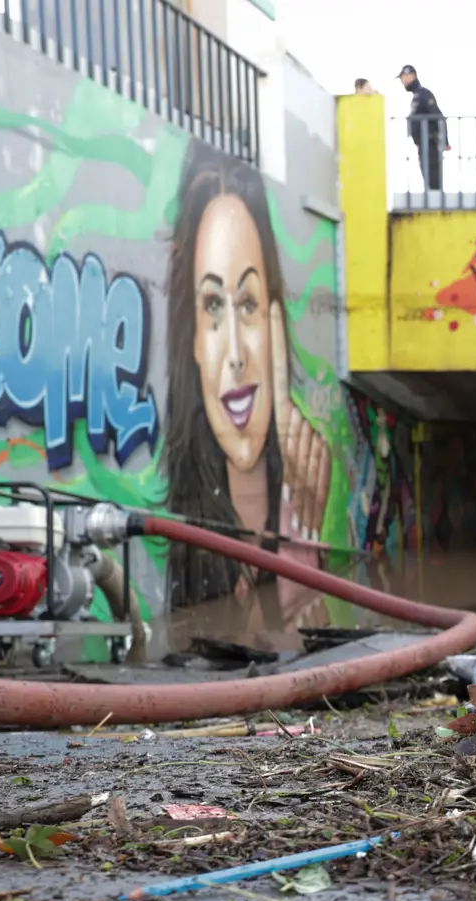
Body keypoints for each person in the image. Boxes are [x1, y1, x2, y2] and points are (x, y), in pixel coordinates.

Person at [162, 144, 331, 612]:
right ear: (193, 340)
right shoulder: (184, 536)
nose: (235, 355)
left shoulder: (309, 489)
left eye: (250, 304)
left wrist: (304, 534)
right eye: (213, 306)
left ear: (275, 320)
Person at [399, 64, 448, 191]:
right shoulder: (417, 96)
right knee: (428, 179)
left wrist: (445, 142)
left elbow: (439, 117)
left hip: (430, 143)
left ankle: (437, 206)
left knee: (433, 180)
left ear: (411, 76)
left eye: (403, 78)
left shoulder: (423, 94)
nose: (402, 81)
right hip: (423, 145)